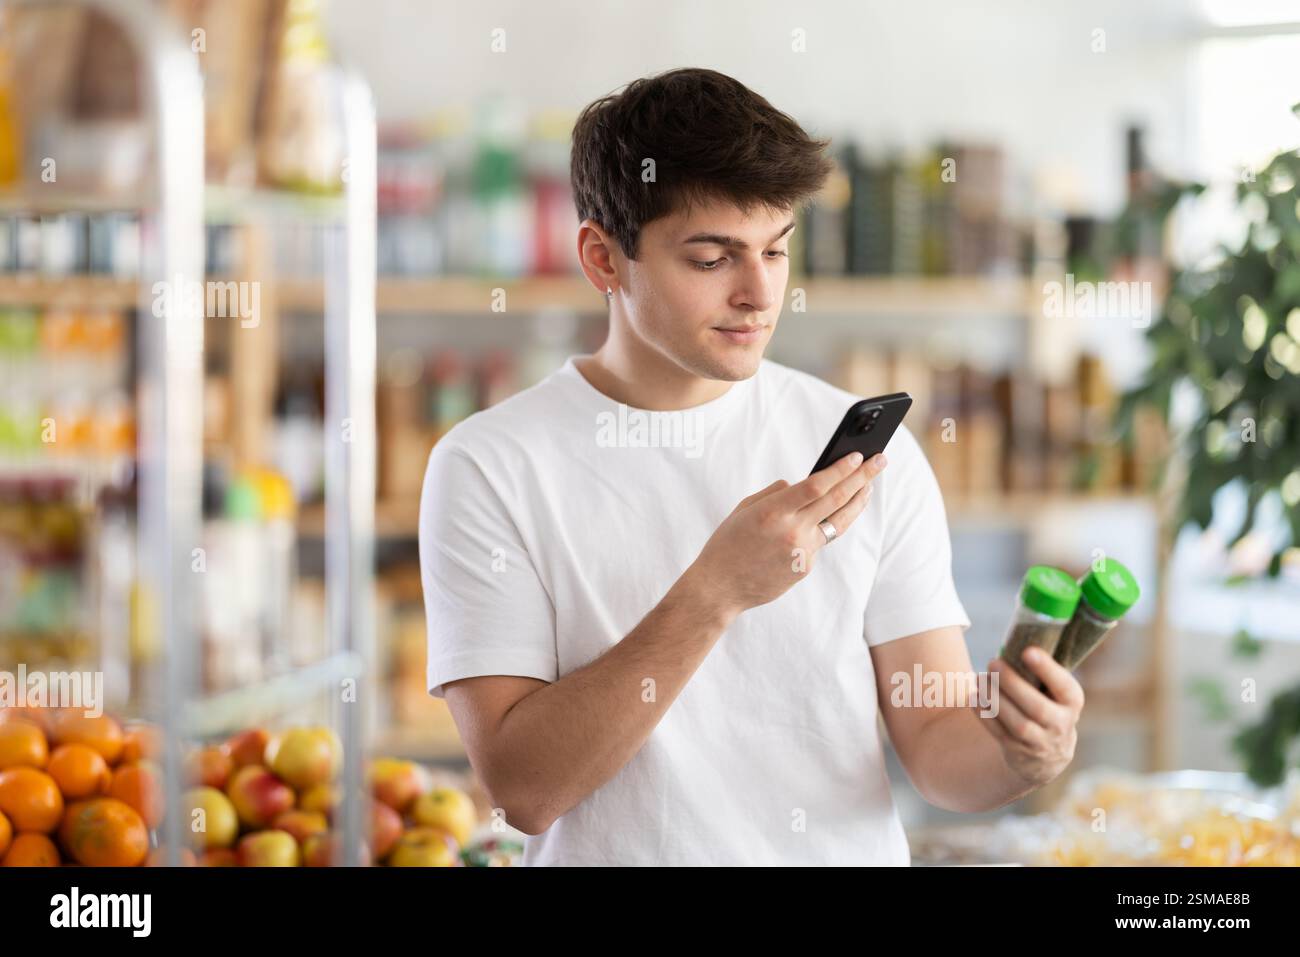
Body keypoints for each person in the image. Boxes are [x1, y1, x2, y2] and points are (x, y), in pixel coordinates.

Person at [419, 67, 1083, 865]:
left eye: (775, 250)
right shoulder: (491, 466)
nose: (759, 292)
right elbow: (522, 789)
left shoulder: (868, 455)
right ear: (603, 258)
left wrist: (1021, 751)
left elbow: (939, 746)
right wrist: (716, 591)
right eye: (712, 260)